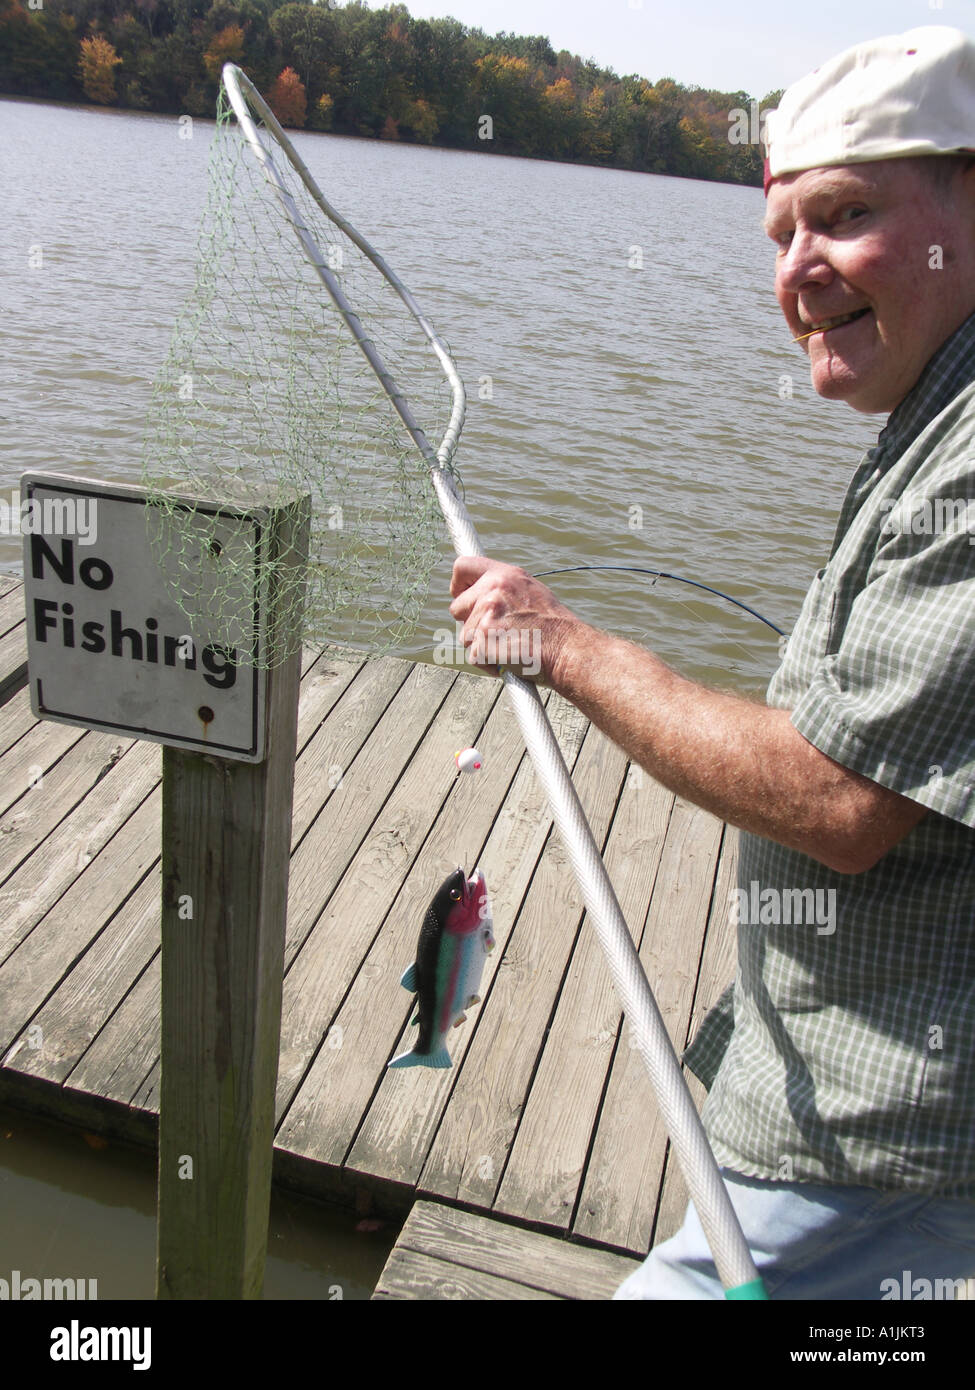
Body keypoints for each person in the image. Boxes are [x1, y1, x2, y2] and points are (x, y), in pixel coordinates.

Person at [448, 25, 975, 1300]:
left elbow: (840, 800)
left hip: (886, 1151)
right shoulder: (935, 410)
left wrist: (563, 646)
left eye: (844, 215)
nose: (800, 271)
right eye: (781, 234)